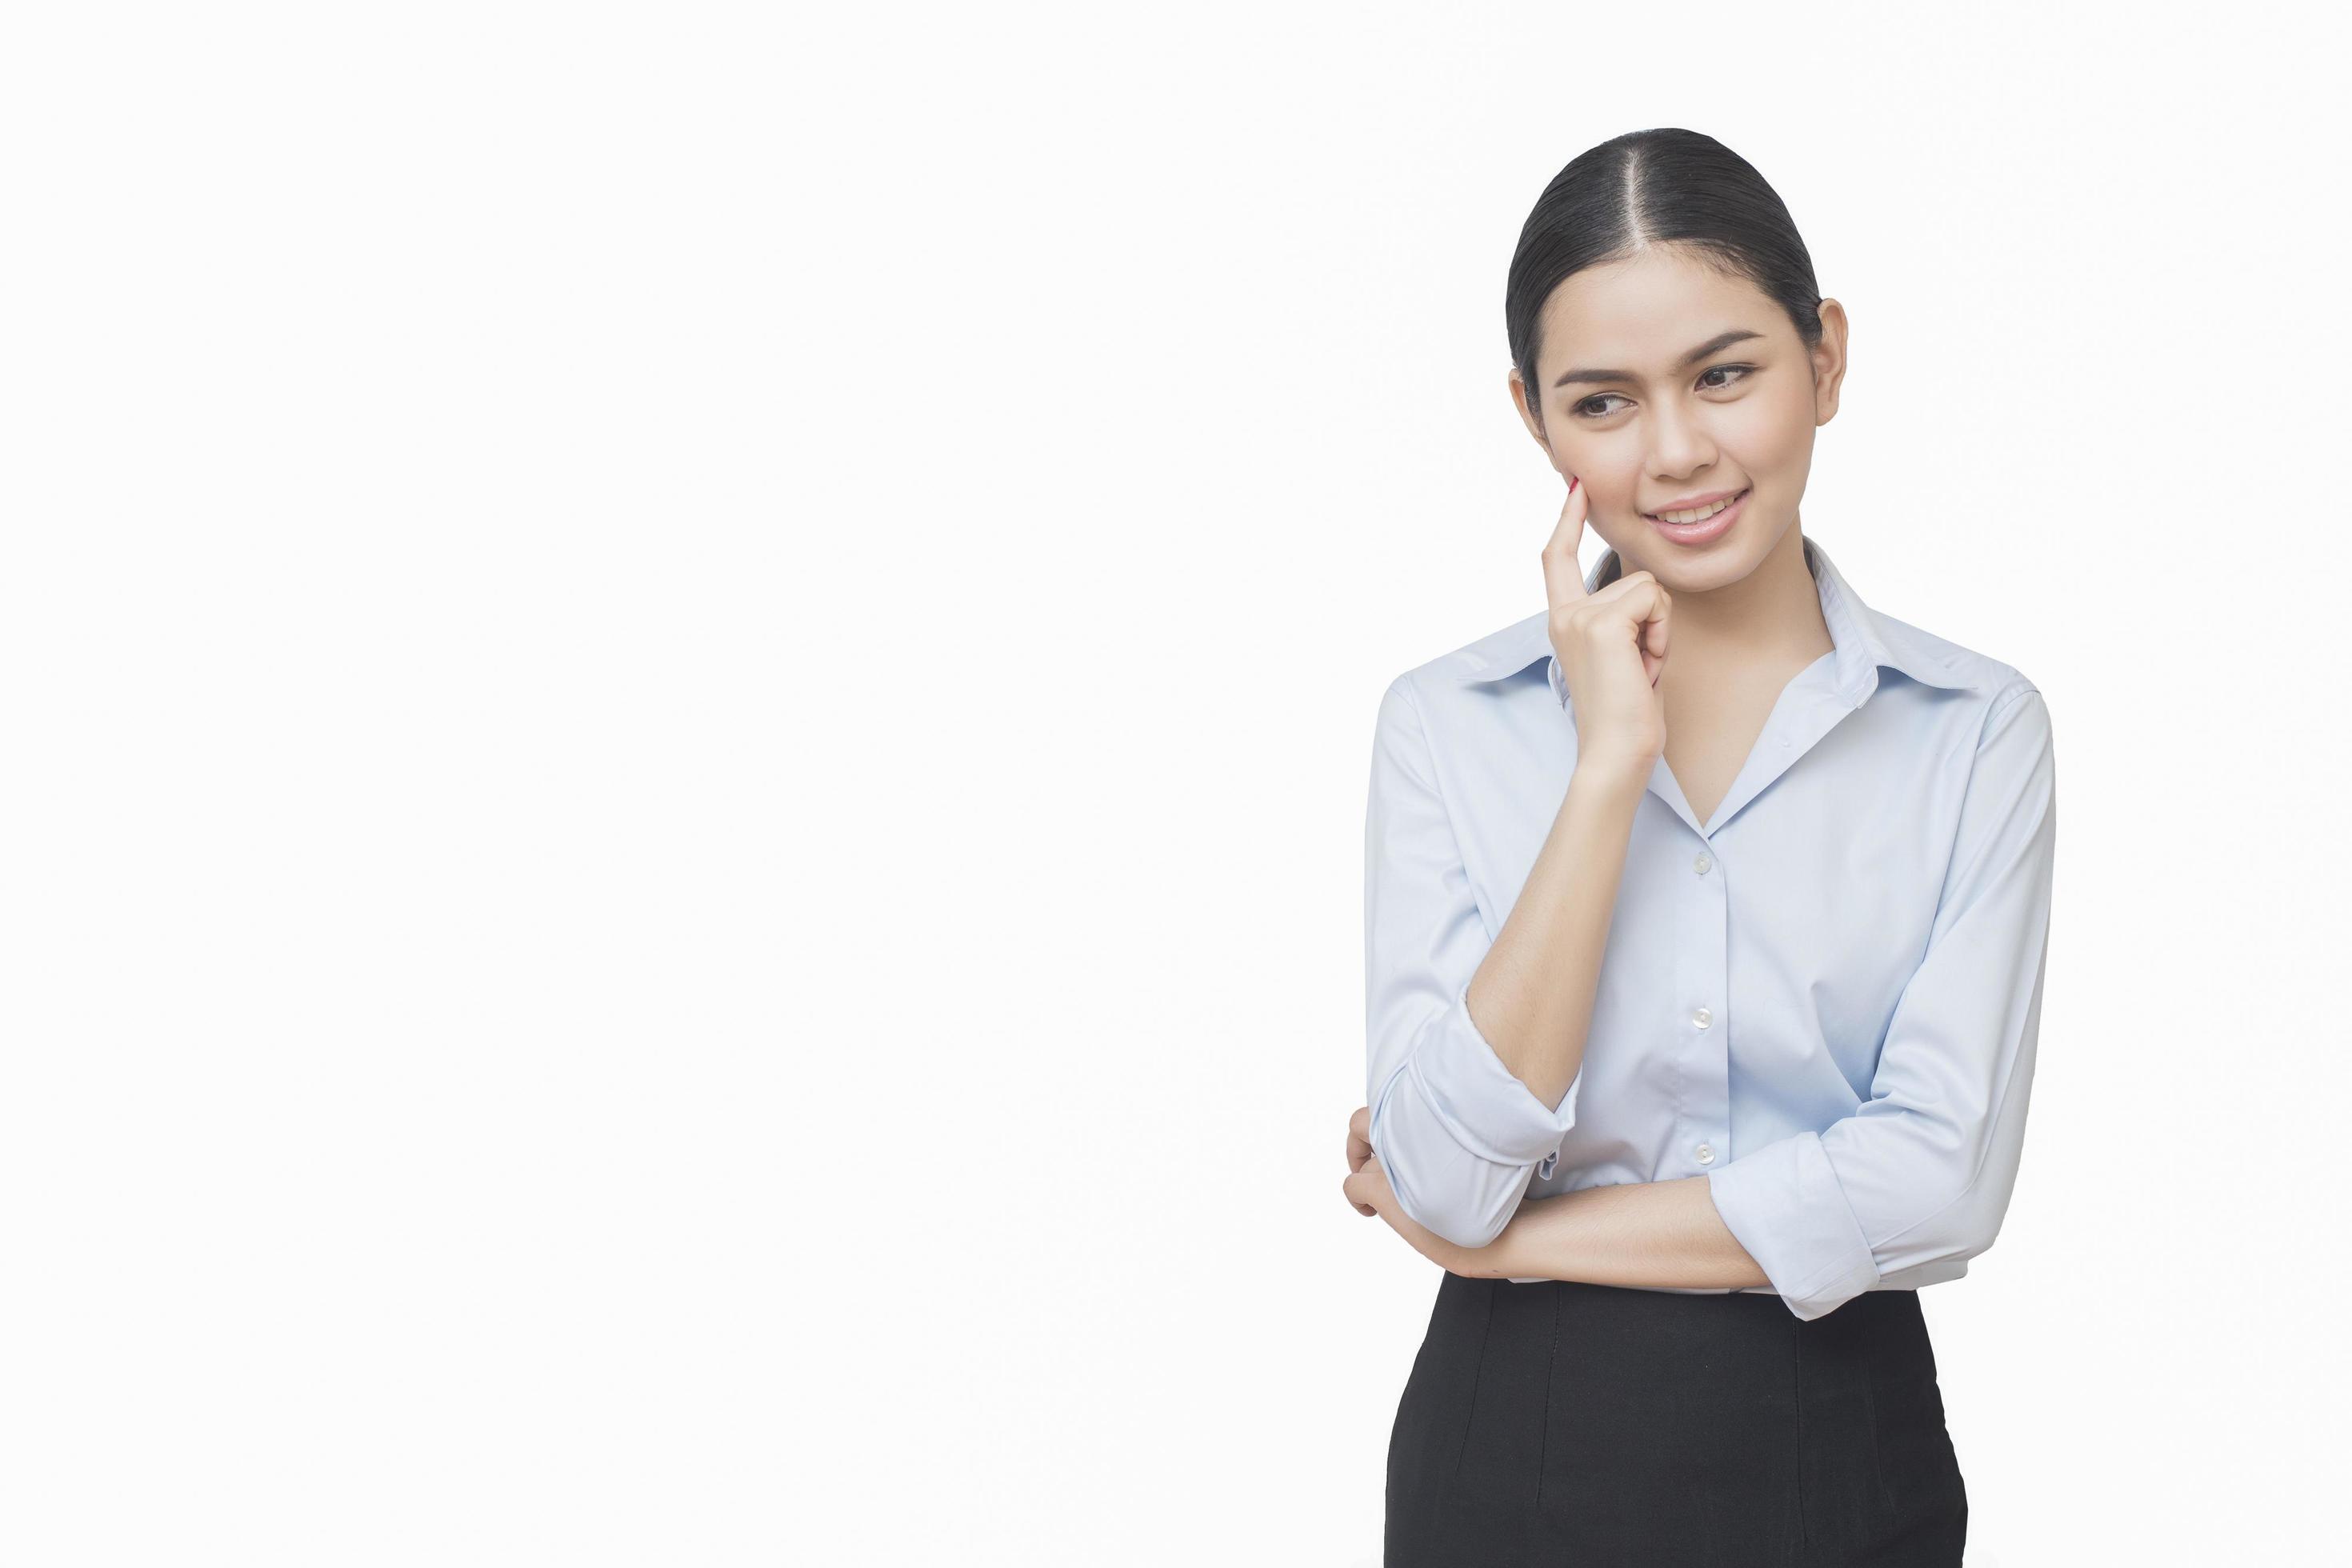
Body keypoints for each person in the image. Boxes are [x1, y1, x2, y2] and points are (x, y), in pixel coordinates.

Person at [1339, 127, 2056, 1565]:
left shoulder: (1973, 731)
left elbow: (1937, 1188)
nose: (1675, 451)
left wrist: (1517, 1243)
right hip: (1512, 1449)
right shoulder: (1446, 726)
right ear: (1537, 424)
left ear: (1826, 360)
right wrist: (1609, 768)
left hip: (1840, 1448)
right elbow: (1438, 1178)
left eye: (1725, 374)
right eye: (1602, 402)